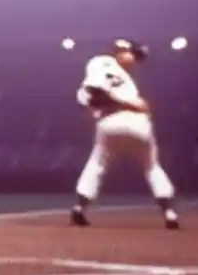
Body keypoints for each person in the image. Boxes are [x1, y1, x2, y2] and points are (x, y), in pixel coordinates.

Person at [71, 38, 180, 230]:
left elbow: (88, 97)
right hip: (124, 118)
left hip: (120, 122)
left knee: (98, 164)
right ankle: (169, 213)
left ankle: (79, 208)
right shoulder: (103, 61)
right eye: (133, 54)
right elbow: (95, 90)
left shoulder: (126, 78)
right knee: (152, 167)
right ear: (120, 50)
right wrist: (129, 104)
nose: (135, 60)